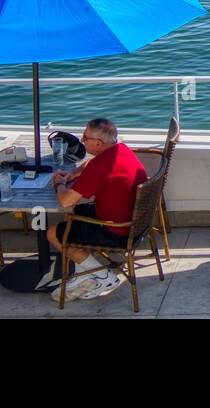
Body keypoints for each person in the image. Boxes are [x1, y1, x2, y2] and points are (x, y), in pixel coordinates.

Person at [46, 118, 147, 300]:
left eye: (85, 137)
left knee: (54, 233)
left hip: (115, 231)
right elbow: (88, 166)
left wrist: (59, 183)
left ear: (98, 143)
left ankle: (104, 276)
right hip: (134, 223)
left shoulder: (100, 166)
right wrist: (72, 175)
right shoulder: (120, 150)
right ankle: (85, 273)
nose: (82, 140)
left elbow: (65, 201)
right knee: (75, 215)